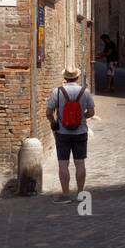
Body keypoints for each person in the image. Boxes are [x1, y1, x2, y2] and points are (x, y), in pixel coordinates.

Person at [46, 66, 95, 203]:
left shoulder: (57, 92)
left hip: (62, 132)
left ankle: (66, 195)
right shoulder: (85, 92)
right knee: (80, 163)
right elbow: (91, 112)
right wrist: (81, 118)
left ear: (65, 78)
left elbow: (48, 113)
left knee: (63, 164)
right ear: (77, 77)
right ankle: (80, 194)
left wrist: (54, 122)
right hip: (80, 132)